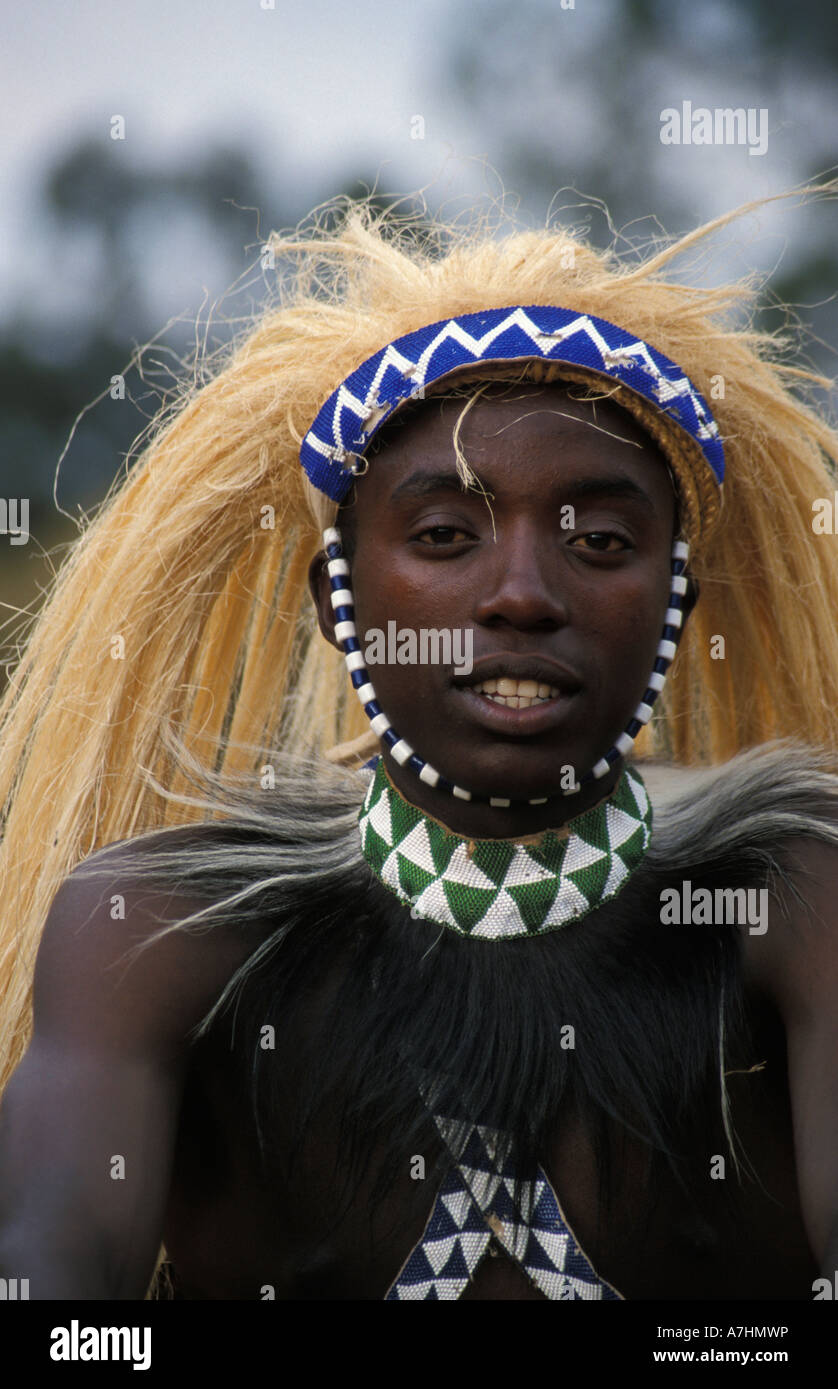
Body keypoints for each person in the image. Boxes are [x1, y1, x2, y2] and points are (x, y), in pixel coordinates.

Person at [1, 193, 838, 1300]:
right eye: (445, 534)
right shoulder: (156, 932)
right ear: (335, 598)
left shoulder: (795, 903)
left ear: (677, 598)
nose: (523, 595)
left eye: (601, 539)